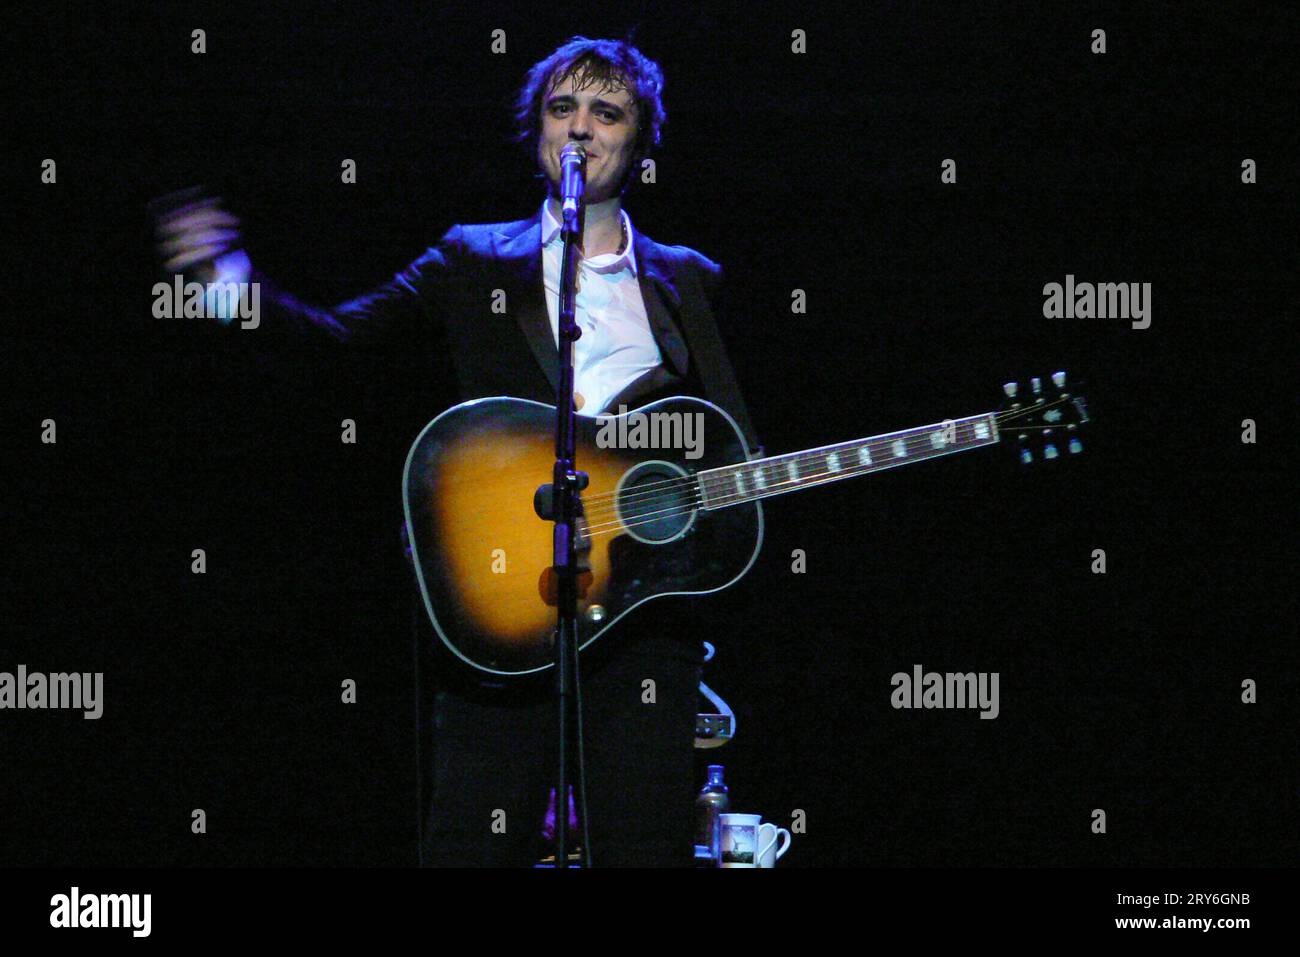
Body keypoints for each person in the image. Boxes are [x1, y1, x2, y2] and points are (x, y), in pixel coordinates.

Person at [154, 35, 760, 866]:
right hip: (502, 601)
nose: (580, 129)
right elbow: (340, 345)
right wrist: (228, 285)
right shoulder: (472, 256)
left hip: (644, 612)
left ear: (640, 141)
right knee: (471, 843)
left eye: (605, 111)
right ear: (537, 130)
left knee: (644, 847)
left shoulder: (689, 278)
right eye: (562, 108)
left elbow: (733, 449)